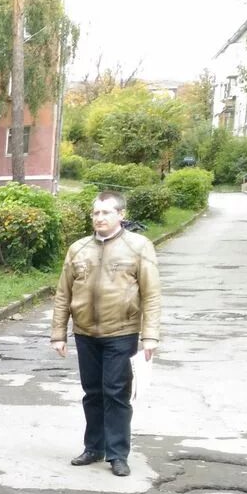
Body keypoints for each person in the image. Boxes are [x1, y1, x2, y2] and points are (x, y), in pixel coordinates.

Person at [50, 189, 162, 478]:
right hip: (85, 332)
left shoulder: (138, 247)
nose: (99, 218)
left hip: (122, 331)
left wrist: (150, 335)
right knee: (92, 393)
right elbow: (63, 294)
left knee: (116, 393)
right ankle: (94, 447)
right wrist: (59, 333)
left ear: (121, 215)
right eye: (96, 212)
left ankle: (117, 454)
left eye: (106, 212)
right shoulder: (78, 249)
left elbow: (151, 294)